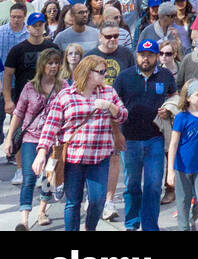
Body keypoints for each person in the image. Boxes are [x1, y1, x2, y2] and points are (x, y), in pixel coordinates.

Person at [33, 54, 128, 231]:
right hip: (73, 158)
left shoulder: (108, 92)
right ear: (87, 72)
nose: (105, 74)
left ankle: (89, 228)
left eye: (105, 71)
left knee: (98, 200)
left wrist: (110, 107)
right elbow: (51, 126)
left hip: (99, 157)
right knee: (73, 202)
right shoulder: (66, 95)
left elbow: (123, 116)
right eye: (101, 71)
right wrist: (41, 152)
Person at [114, 37, 176, 231]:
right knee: (132, 185)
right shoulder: (124, 77)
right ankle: (132, 224)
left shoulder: (166, 76)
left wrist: (168, 109)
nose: (146, 59)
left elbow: (174, 97)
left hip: (155, 139)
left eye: (150, 55)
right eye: (142, 55)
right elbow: (114, 104)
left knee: (153, 185)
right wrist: (117, 134)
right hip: (130, 139)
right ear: (137, 55)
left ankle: (150, 226)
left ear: (157, 56)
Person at [3, 46, 62, 230]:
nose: (53, 66)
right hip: (31, 137)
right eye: (50, 63)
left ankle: (42, 210)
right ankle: (24, 219)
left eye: (56, 63)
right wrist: (9, 138)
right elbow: (18, 114)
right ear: (42, 65)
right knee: (29, 177)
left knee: (48, 176)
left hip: (54, 139)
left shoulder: (64, 87)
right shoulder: (30, 87)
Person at [167, 80, 198, 231]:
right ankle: (184, 226)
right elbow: (173, 144)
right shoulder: (182, 117)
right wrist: (170, 171)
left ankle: (192, 218)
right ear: (188, 97)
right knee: (183, 201)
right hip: (182, 166)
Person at [4, 10, 52, 117]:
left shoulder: (52, 48)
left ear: (44, 26)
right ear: (28, 28)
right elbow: (8, 75)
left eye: (40, 25)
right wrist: (8, 100)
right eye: (34, 25)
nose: (37, 28)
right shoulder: (17, 50)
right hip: (23, 100)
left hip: (48, 99)